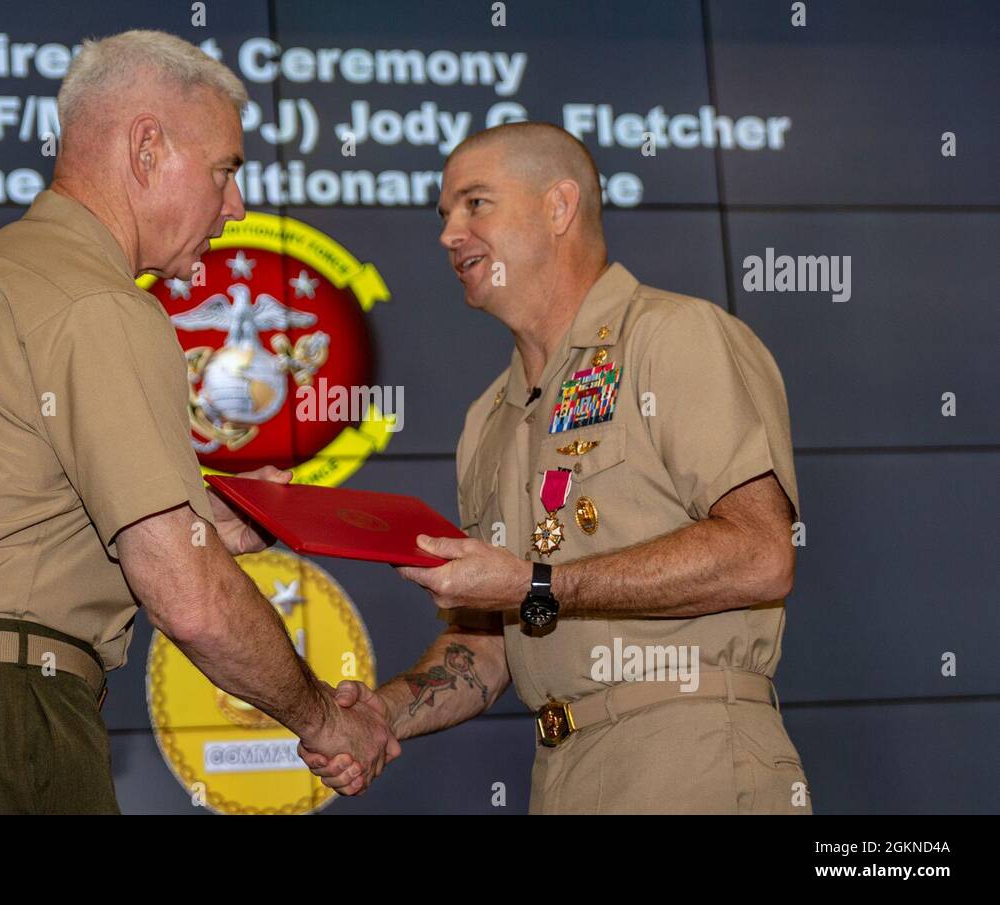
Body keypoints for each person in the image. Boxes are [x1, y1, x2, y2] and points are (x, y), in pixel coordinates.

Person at [0, 29, 396, 815]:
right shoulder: (99, 305)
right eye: (226, 169)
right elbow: (185, 596)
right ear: (148, 146)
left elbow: (24, 518)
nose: (238, 206)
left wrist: (214, 521)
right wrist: (324, 717)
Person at [302, 122, 811, 814]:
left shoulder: (672, 335)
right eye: (444, 212)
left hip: (694, 753)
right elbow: (489, 647)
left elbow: (760, 553)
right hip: (561, 771)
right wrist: (381, 716)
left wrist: (538, 581)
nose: (450, 233)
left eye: (475, 204)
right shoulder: (489, 418)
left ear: (559, 206)